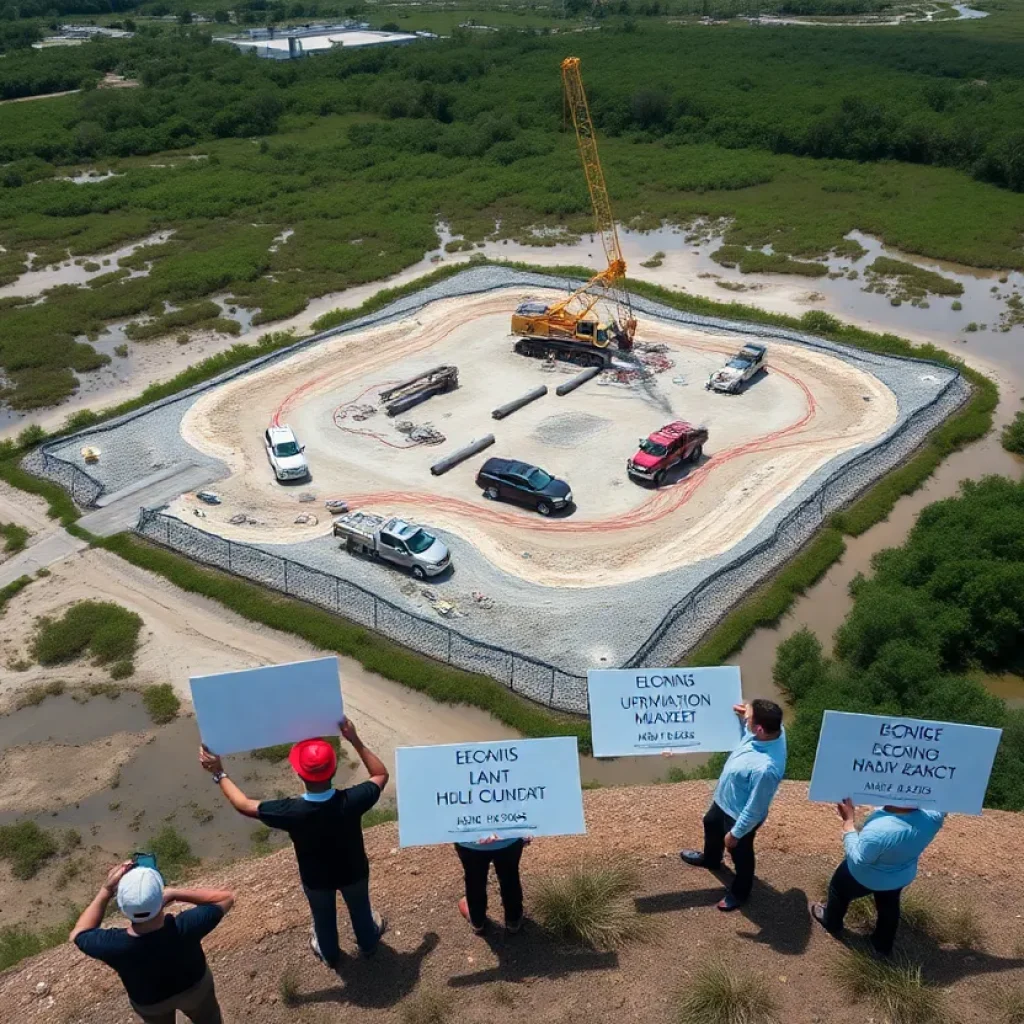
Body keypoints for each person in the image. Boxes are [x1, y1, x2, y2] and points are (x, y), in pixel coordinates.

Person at [200, 716, 389, 968]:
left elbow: (244, 804)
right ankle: (368, 943)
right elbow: (380, 774)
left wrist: (218, 772)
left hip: (316, 879)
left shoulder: (290, 811)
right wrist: (354, 738)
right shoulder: (353, 800)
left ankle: (330, 955)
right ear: (333, 768)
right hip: (354, 871)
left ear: (297, 771)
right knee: (361, 909)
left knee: (323, 918)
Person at [70, 860, 233, 1024]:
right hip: (196, 988)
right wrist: (175, 893)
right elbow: (226, 899)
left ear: (122, 906)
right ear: (161, 899)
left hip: (150, 1003)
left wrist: (106, 890)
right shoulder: (187, 926)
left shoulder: (112, 945)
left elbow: (79, 932)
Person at [679, 699, 787, 911]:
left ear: (759, 729)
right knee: (710, 823)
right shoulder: (776, 731)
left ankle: (740, 892)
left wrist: (736, 834)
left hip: (739, 816)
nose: (745, 718)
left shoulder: (766, 769)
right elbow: (759, 721)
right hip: (724, 800)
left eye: (748, 718)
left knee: (742, 854)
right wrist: (746, 713)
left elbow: (756, 809)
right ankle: (711, 860)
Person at [810, 798, 946, 956]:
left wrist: (848, 822)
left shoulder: (879, 830)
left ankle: (831, 922)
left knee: (838, 890)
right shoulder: (934, 817)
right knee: (889, 906)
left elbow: (859, 858)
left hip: (864, 876)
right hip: (899, 876)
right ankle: (882, 947)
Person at [454, 834, 529, 935]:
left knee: (474, 879)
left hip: (469, 840)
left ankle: (477, 922)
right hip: (508, 838)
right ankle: (513, 921)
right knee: (510, 876)